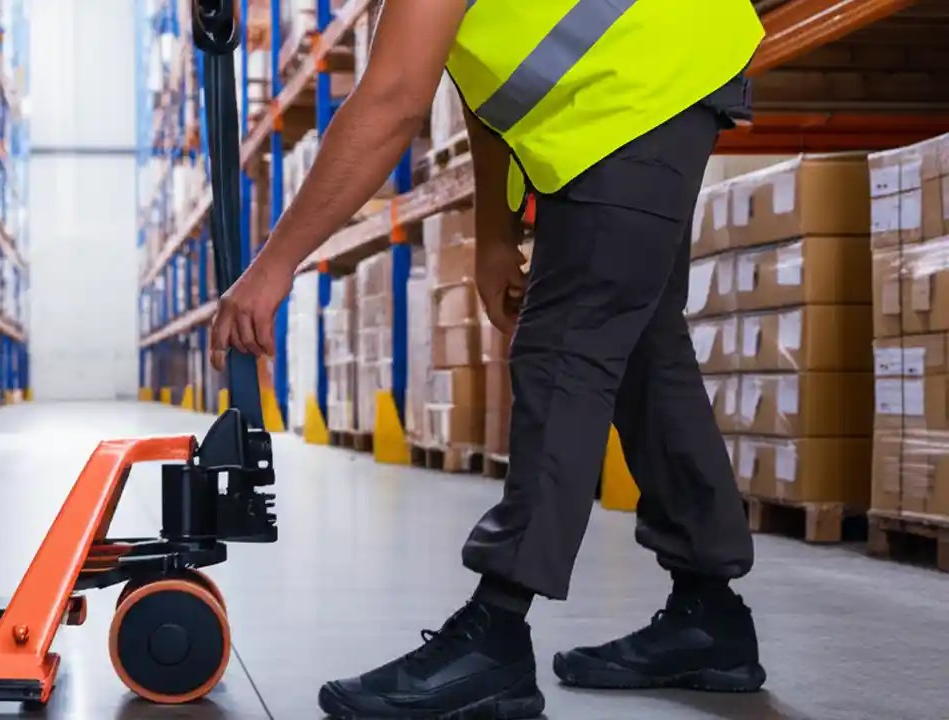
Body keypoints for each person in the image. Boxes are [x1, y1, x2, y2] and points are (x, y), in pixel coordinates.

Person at [208, 1, 768, 717]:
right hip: (639, 78)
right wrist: (493, 234)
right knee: (644, 353)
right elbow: (484, 77)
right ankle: (709, 617)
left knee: (566, 345)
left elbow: (392, 99)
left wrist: (274, 265)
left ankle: (495, 633)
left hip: (637, 83)